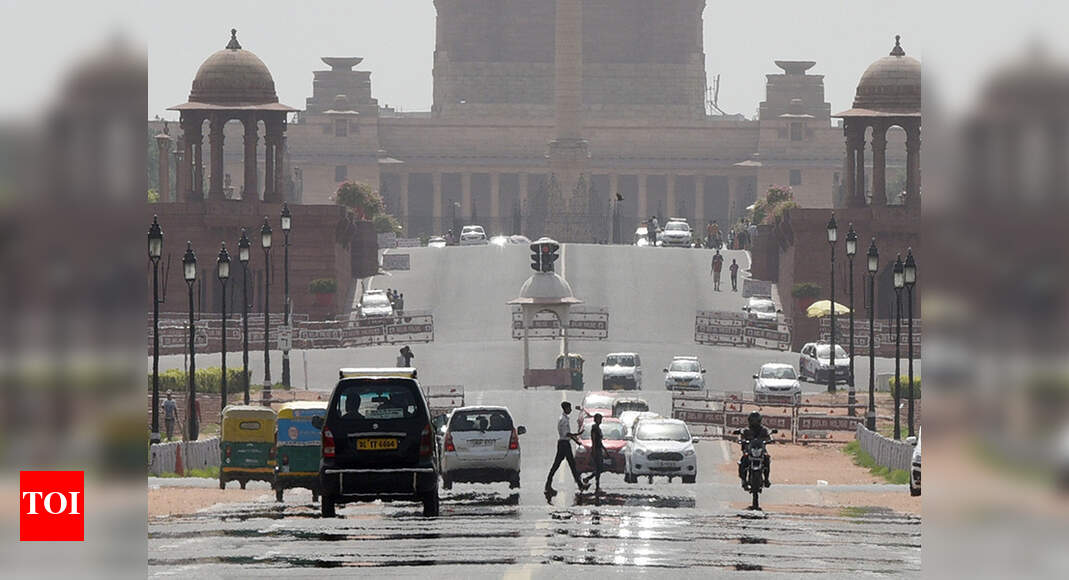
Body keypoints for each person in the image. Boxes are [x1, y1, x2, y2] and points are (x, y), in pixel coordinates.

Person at [545, 401, 590, 495]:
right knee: (561, 465)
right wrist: (577, 434)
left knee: (569, 465)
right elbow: (567, 434)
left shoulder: (564, 418)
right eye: (569, 408)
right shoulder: (563, 420)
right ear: (565, 408)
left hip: (564, 443)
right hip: (564, 445)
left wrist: (576, 440)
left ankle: (579, 484)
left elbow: (567, 435)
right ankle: (548, 486)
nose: (570, 410)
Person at [738, 411, 772, 490]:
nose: (755, 422)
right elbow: (741, 436)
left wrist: (769, 440)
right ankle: (743, 480)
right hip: (749, 450)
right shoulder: (746, 430)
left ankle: (766, 479)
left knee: (767, 458)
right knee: (743, 460)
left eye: (756, 420)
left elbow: (769, 436)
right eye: (753, 420)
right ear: (749, 420)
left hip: (761, 450)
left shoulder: (763, 430)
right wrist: (742, 440)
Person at [581, 413, 608, 493]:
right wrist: (594, 450)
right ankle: (595, 485)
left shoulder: (598, 428)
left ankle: (590, 480)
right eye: (599, 419)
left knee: (599, 468)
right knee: (599, 468)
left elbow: (600, 441)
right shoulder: (594, 428)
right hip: (596, 450)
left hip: (599, 449)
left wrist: (605, 450)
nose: (600, 421)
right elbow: (594, 439)